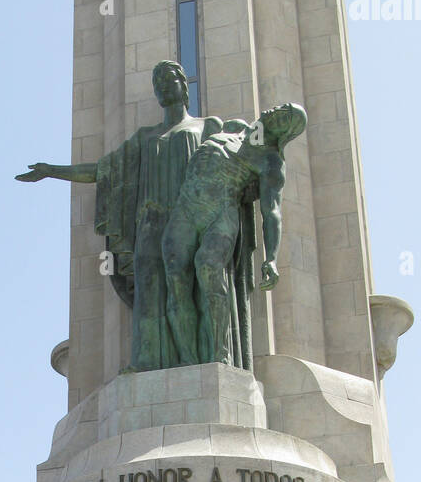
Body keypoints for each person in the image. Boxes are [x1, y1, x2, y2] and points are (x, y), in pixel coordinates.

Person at [17, 62, 256, 371]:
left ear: (185, 85)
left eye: (169, 79)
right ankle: (150, 362)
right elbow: (103, 171)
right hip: (151, 224)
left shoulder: (209, 127)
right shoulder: (145, 138)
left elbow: (245, 166)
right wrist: (52, 171)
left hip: (196, 218)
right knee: (150, 290)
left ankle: (210, 358)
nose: (163, 86)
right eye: (157, 82)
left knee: (202, 283)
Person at [162, 103, 307, 367]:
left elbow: (271, 211)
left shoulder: (270, 161)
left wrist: (271, 258)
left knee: (208, 267)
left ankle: (220, 351)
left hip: (220, 213)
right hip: (185, 210)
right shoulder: (233, 128)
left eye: (284, 116)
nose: (276, 112)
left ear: (286, 132)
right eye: (281, 108)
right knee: (174, 277)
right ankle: (188, 359)